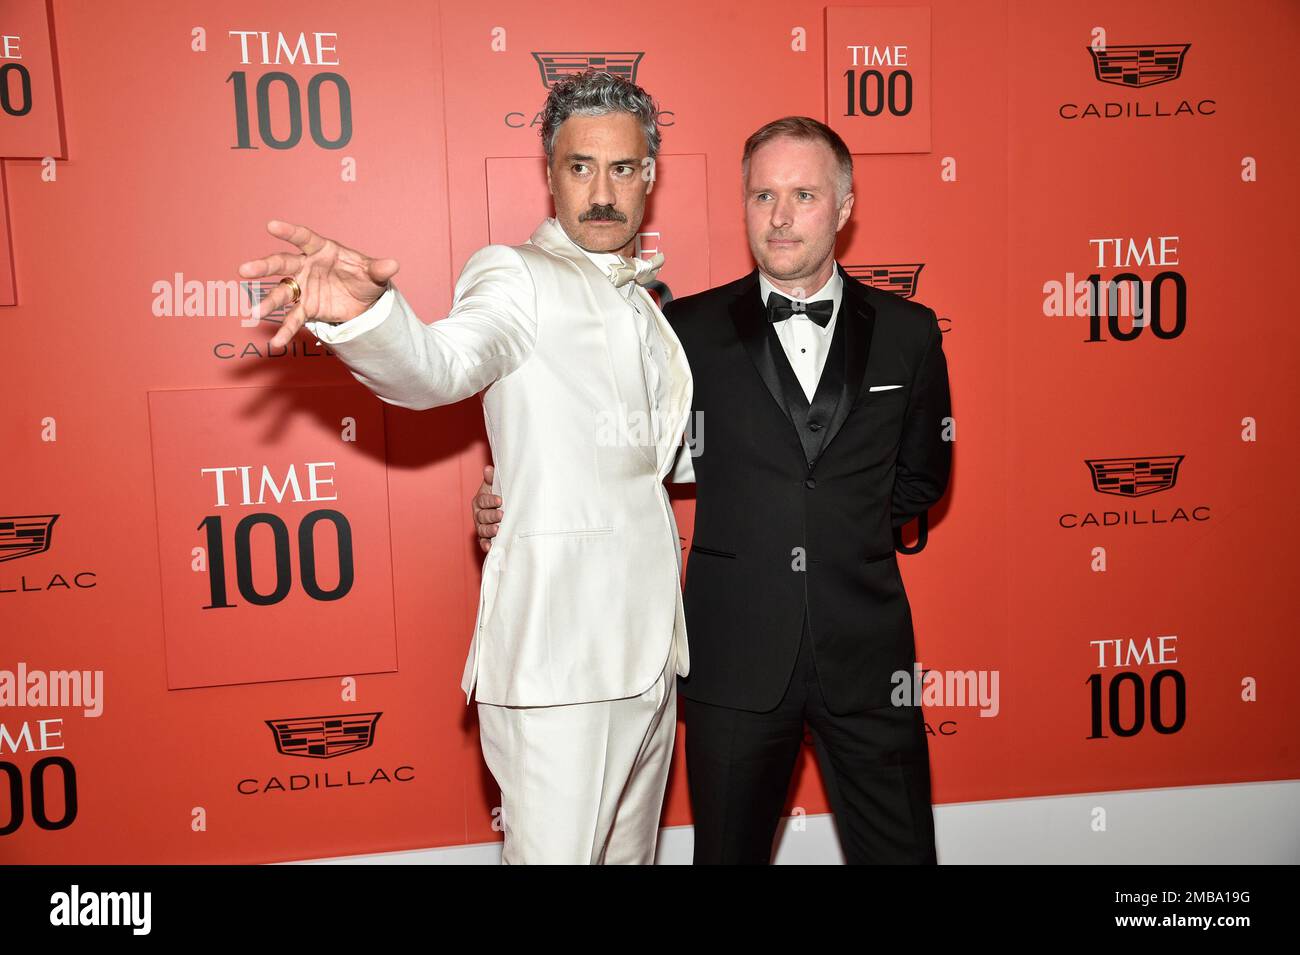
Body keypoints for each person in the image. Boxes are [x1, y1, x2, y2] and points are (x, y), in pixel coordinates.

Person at [238, 69, 693, 865]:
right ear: (549, 174)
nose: (601, 191)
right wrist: (371, 317)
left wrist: (513, 489)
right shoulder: (514, 276)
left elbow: (636, 459)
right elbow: (440, 365)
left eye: (622, 168)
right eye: (579, 167)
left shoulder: (644, 301)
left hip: (651, 656)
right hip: (559, 667)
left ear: (649, 176)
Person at [474, 116, 952, 864]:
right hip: (731, 657)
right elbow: (622, 454)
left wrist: (838, 534)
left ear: (846, 205)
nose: (782, 216)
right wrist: (512, 498)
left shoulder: (910, 331)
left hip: (868, 656)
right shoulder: (684, 328)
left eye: (803, 194)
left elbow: (921, 475)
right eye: (763, 195)